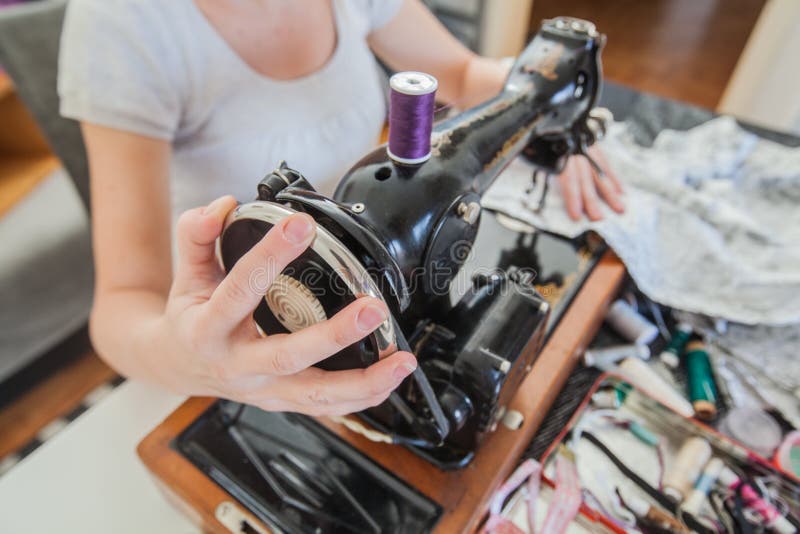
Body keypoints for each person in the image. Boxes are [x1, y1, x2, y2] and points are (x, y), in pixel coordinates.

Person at [58, 0, 625, 417]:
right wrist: (196, 362)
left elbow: (458, 76)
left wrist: (538, 111)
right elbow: (121, 307)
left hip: (371, 301)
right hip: (235, 358)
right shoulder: (123, 24)